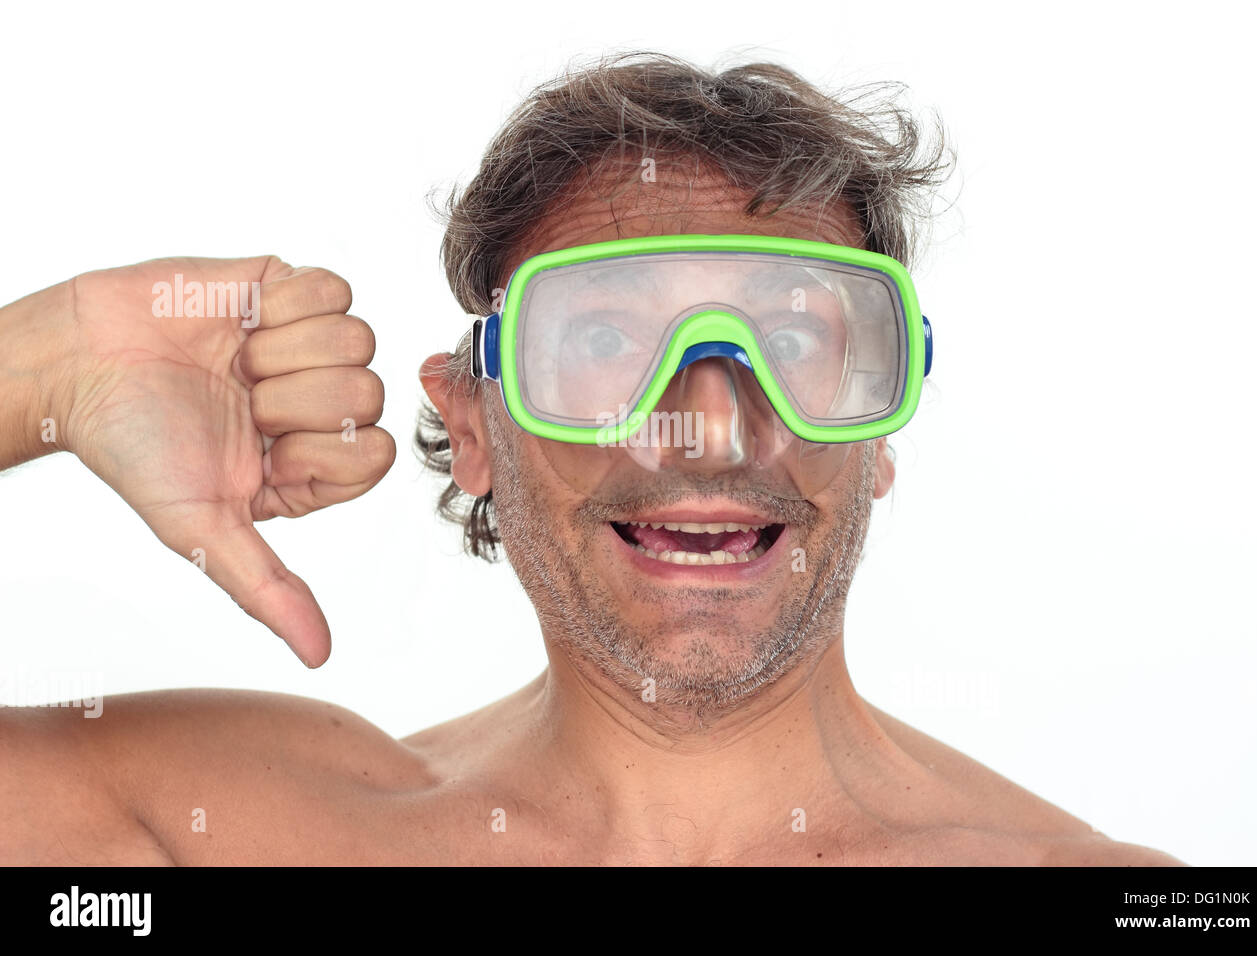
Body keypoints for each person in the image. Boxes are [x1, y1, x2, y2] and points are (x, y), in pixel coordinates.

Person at [0, 53, 1182, 865]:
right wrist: (46, 369)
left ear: (874, 430)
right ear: (471, 422)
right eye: (608, 337)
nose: (710, 426)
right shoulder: (254, 836)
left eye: (792, 338)